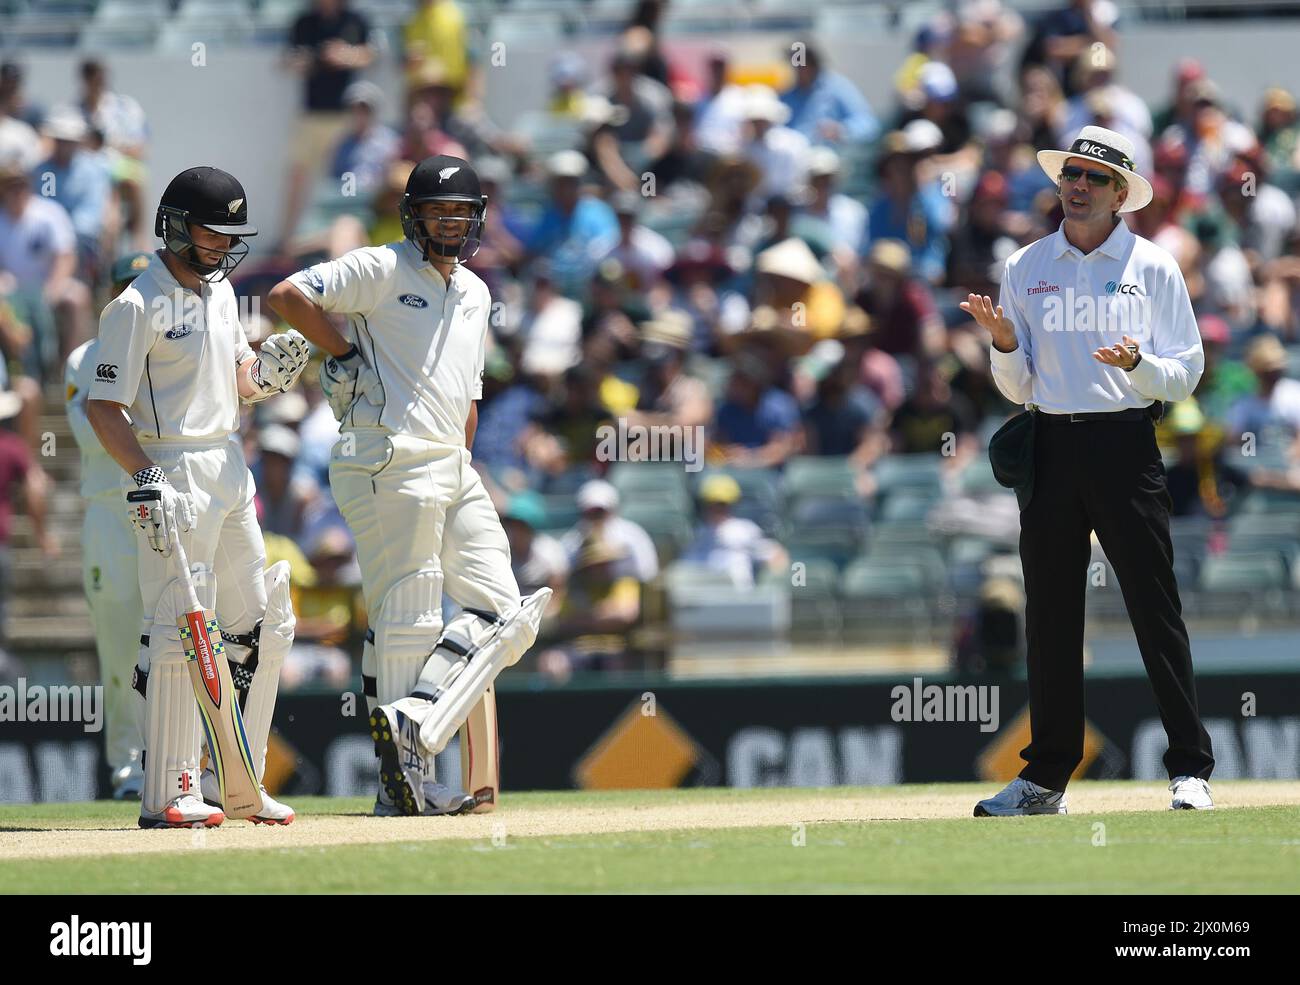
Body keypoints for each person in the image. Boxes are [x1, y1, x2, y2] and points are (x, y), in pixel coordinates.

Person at [268, 155, 550, 817]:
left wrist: (463, 457)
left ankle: (417, 715)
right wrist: (341, 354)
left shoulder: (477, 292)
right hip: (385, 458)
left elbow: (469, 393)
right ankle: (406, 790)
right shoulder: (381, 267)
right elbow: (287, 295)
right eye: (438, 211)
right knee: (410, 618)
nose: (451, 223)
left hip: (452, 461)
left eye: (462, 213)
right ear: (413, 215)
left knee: (506, 614)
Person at [962, 126, 1215, 816]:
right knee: (1048, 615)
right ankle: (1045, 778)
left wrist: (1139, 367)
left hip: (1125, 446)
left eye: (1092, 178)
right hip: (1050, 444)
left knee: (1153, 607)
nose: (1076, 186)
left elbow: (1186, 373)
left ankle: (1190, 768)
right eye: (1070, 173)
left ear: (1120, 194)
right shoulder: (1026, 267)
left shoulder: (1153, 265)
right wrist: (1006, 345)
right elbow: (1017, 389)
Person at [86, 167, 308, 828]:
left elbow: (238, 376)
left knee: (264, 620)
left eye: (229, 236)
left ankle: (235, 779)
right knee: (178, 628)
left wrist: (265, 373)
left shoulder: (219, 292)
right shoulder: (136, 303)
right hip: (171, 466)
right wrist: (144, 475)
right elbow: (104, 406)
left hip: (229, 464)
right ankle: (167, 789)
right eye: (211, 233)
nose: (220, 247)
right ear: (177, 225)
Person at [65, 251, 150, 800]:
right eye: (122, 289)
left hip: (164, 504)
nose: (129, 300)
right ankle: (127, 768)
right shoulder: (85, 358)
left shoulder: (170, 349)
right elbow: (94, 431)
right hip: (110, 513)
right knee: (120, 648)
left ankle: (183, 763)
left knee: (174, 637)